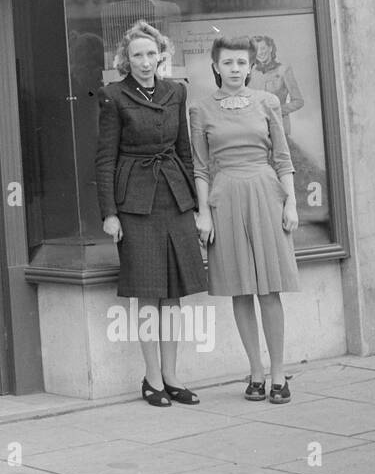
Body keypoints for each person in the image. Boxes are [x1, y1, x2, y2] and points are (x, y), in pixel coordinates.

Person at [95, 21, 208, 408]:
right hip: (135, 204)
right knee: (148, 293)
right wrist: (110, 213)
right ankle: (152, 377)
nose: (145, 62)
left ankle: (173, 375)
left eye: (151, 54)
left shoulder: (176, 91)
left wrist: (195, 206)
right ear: (125, 59)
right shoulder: (113, 95)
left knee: (173, 293)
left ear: (162, 55)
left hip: (174, 198)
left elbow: (185, 151)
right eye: (136, 55)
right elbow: (105, 158)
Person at [189, 36, 301, 405]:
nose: (235, 69)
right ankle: (255, 371)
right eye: (227, 63)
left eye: (241, 63)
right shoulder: (201, 109)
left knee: (269, 288)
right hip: (225, 196)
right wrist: (203, 213)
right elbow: (201, 168)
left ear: (251, 67)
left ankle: (279, 373)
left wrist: (291, 204)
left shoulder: (268, 102)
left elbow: (282, 158)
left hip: (265, 193)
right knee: (240, 289)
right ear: (216, 67)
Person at [249, 36, 305, 138]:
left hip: (280, 129)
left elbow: (299, 101)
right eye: (257, 49)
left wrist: (277, 110)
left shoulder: (283, 70)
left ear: (270, 48)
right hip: (258, 130)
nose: (260, 52)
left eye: (263, 48)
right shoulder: (252, 72)